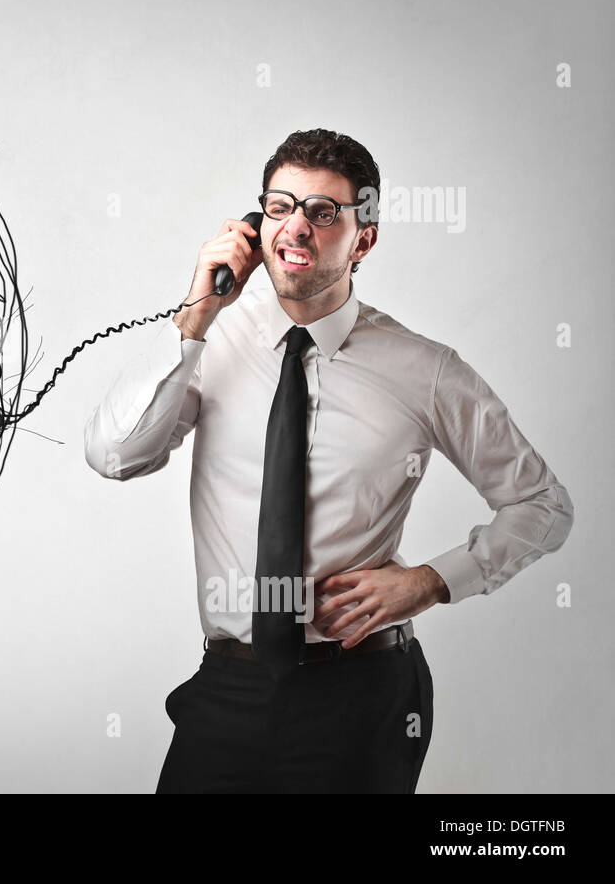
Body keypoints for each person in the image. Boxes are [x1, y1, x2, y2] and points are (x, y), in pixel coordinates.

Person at [83, 128, 574, 793]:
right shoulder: (210, 344)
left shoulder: (425, 370)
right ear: (257, 225)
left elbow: (543, 506)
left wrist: (430, 580)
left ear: (362, 240)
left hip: (362, 693)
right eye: (281, 207)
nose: (298, 227)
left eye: (324, 212)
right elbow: (114, 455)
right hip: (230, 686)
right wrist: (196, 315)